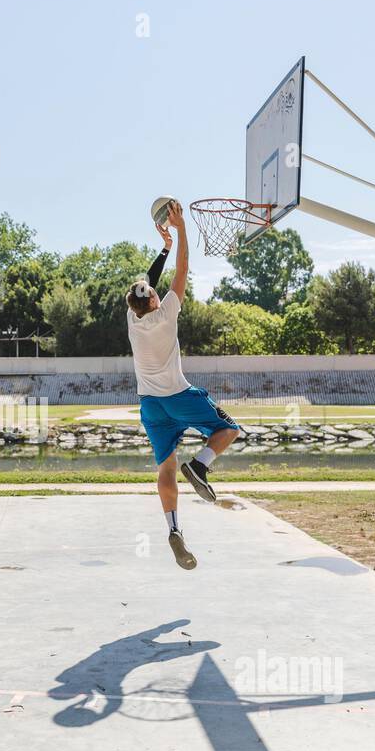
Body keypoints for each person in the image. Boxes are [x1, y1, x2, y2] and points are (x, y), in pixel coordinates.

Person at [125, 199, 241, 570]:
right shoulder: (168, 312)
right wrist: (182, 230)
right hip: (177, 396)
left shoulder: (133, 318)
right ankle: (201, 466)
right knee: (228, 429)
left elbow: (148, 281)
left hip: (150, 406)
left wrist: (164, 247)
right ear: (154, 299)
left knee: (165, 468)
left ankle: (174, 529)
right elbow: (183, 268)